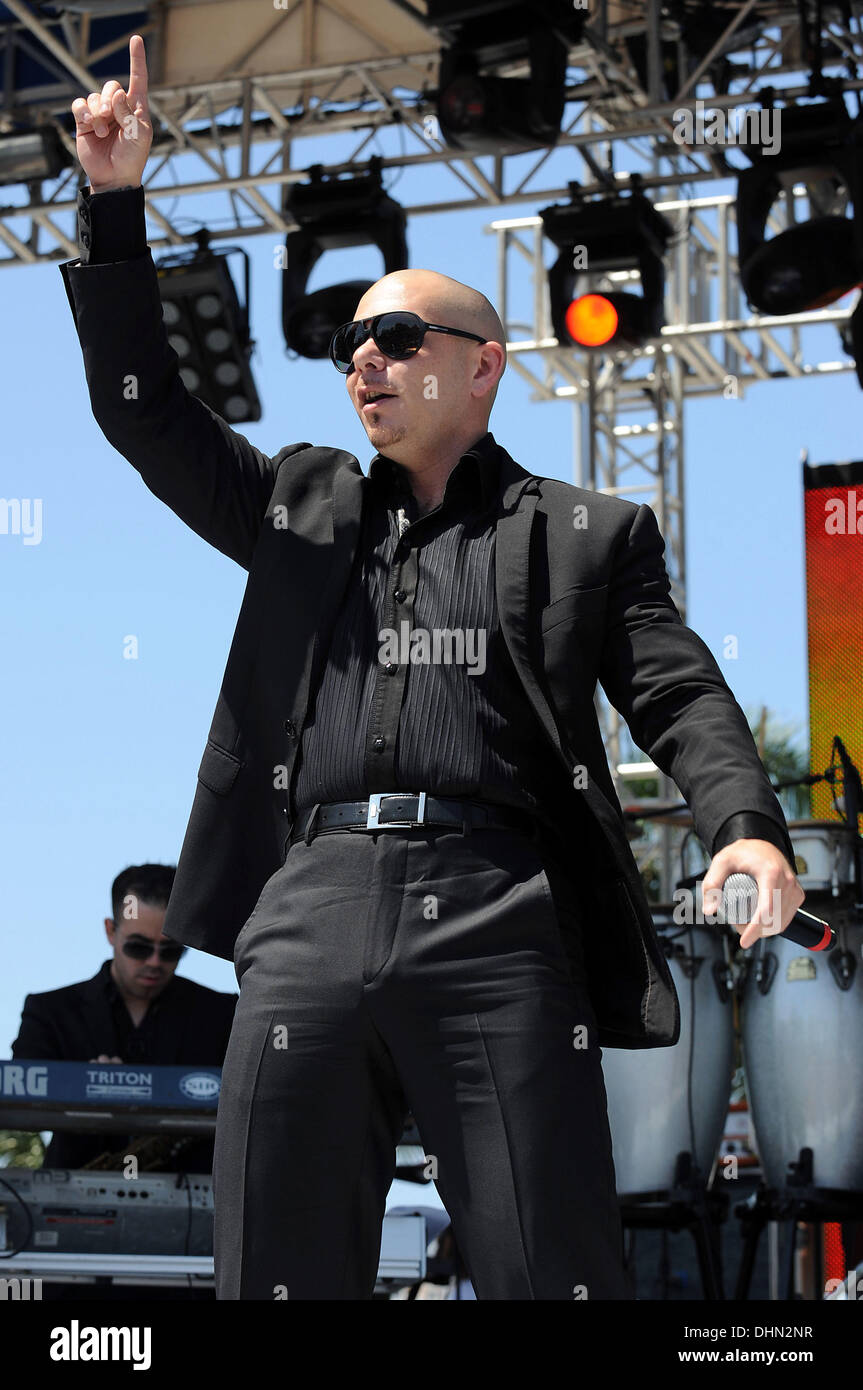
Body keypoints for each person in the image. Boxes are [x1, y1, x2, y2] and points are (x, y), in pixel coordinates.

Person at [61, 36, 804, 1300]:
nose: (364, 359)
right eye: (351, 342)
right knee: (277, 1271)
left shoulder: (582, 534)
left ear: (481, 365)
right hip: (307, 905)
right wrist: (115, 203)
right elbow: (144, 411)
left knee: (545, 1264)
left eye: (397, 336)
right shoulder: (297, 500)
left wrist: (743, 823)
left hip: (497, 910)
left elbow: (675, 689)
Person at [12, 863, 236, 1173]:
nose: (155, 962)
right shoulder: (50, 1010)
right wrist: (83, 1089)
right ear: (110, 931)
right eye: (139, 947)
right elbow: (19, 1107)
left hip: (191, 1201)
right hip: (75, 1195)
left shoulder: (221, 1013)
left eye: (170, 951)